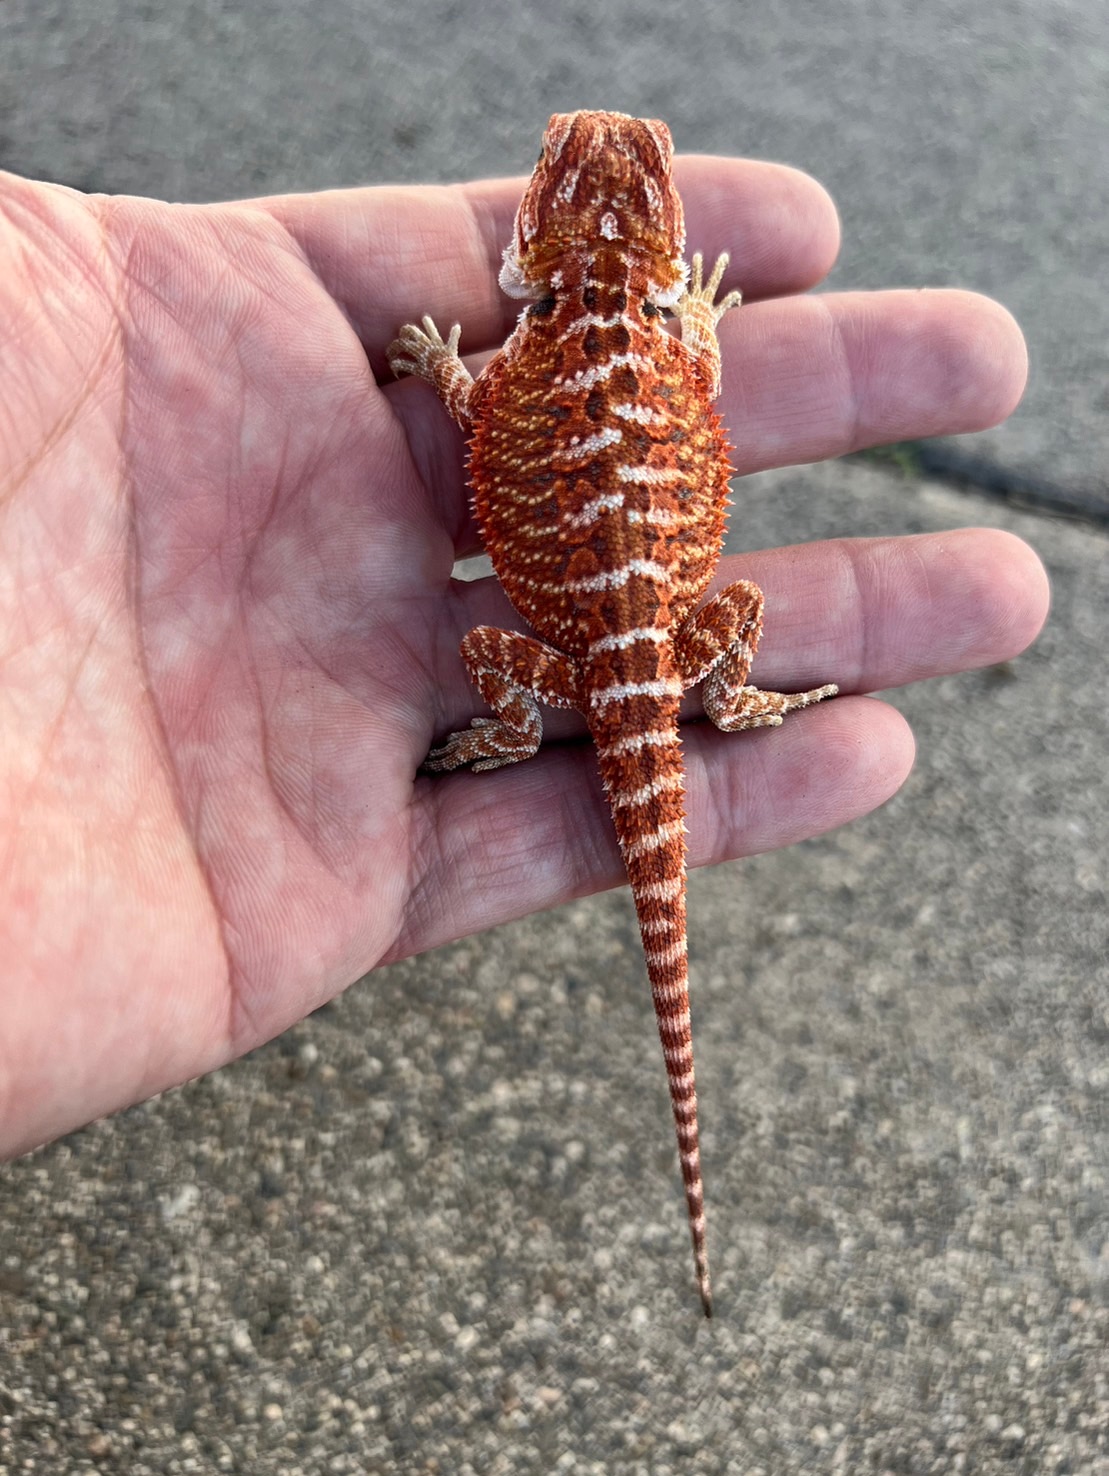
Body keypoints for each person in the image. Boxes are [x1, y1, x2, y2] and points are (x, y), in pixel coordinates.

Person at [0, 156, 1047, 1158]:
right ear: (664, 251)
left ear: (537, 243)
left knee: (545, 707)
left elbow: (479, 417)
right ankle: (727, 701)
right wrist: (698, 324)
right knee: (723, 629)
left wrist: (447, 367)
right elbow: (620, 399)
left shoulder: (531, 362)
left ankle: (523, 730)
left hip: (584, 647)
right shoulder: (667, 354)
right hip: (672, 633)